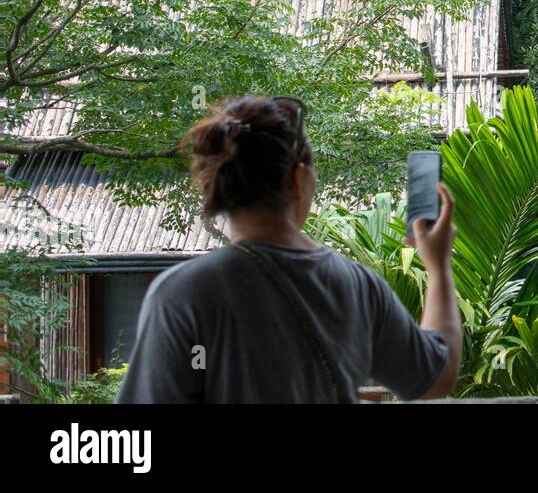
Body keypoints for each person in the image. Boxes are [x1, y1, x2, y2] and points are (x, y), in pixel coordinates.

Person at [116, 95, 461, 403]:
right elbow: (436, 377)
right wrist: (438, 266)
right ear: (297, 179)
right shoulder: (355, 286)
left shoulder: (182, 294)